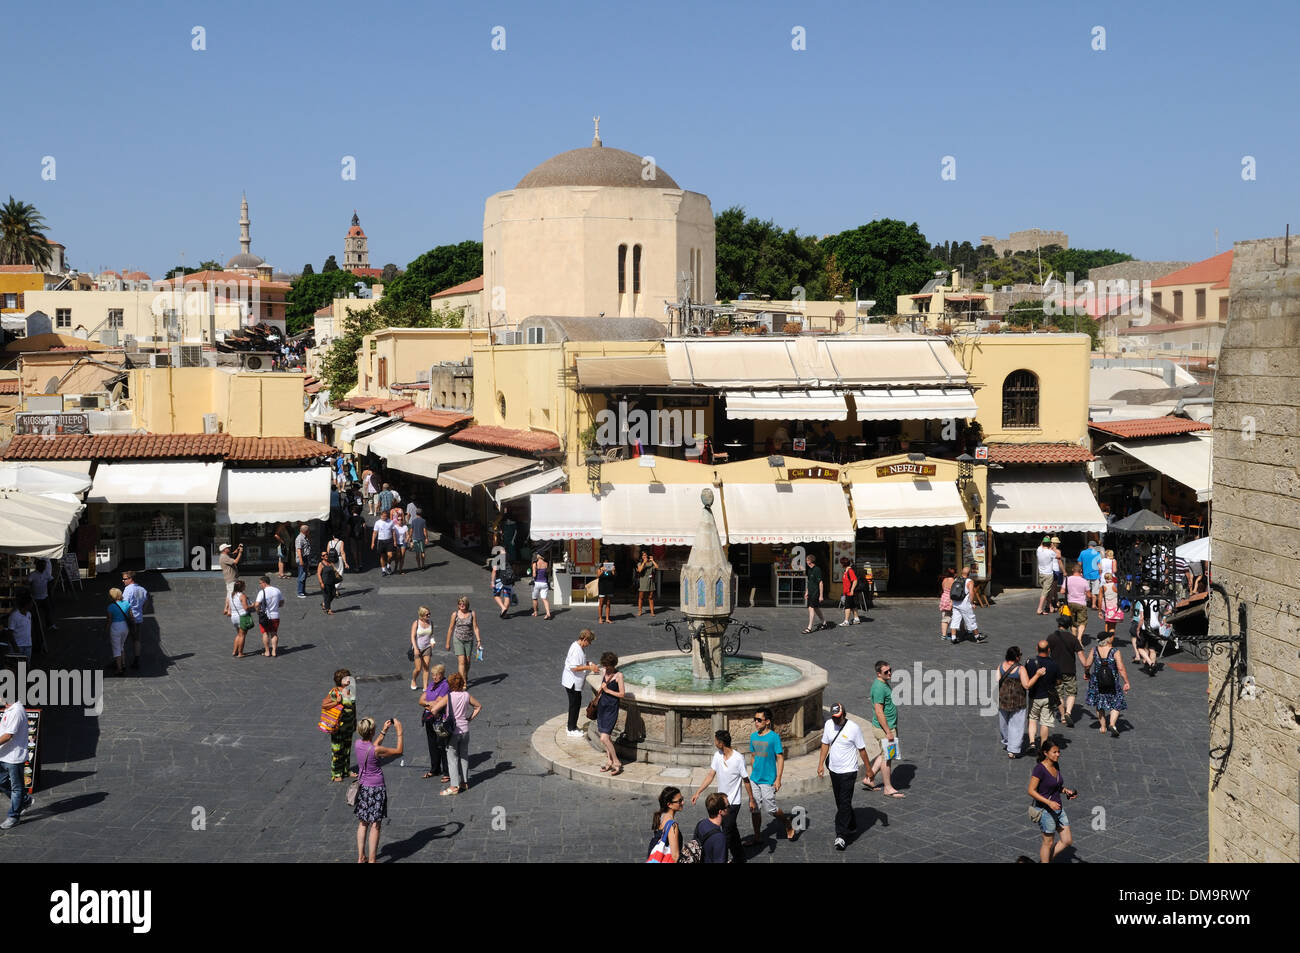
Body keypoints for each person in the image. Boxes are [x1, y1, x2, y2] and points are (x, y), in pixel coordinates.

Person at [690, 729, 756, 863]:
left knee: (725, 833)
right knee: (731, 830)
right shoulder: (717, 756)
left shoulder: (738, 758)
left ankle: (722, 858)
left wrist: (751, 799)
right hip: (721, 800)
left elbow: (746, 780)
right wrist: (698, 791)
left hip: (733, 802)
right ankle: (740, 857)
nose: (714, 742)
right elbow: (710, 775)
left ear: (721, 743)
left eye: (715, 740)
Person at [817, 702, 870, 851]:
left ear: (844, 715)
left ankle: (841, 835)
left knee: (845, 802)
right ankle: (852, 825)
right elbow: (825, 745)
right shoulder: (828, 724)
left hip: (849, 771)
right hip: (834, 770)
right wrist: (820, 764)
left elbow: (862, 750)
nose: (835, 720)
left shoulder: (854, 728)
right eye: (834, 717)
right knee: (840, 802)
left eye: (838, 718)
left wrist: (869, 769)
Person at [352, 716, 403, 863]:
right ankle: (373, 860)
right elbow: (399, 751)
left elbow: (371, 748)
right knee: (375, 824)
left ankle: (361, 857)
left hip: (363, 788)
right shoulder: (377, 750)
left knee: (363, 822)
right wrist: (399, 731)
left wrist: (383, 732)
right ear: (372, 731)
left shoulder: (358, 744)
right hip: (376, 789)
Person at [425, 672, 481, 795]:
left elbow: (433, 710)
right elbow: (478, 706)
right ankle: (464, 782)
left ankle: (454, 786)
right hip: (465, 730)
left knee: (452, 758)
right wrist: (469, 719)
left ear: (450, 684)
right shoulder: (466, 695)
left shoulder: (449, 697)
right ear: (462, 683)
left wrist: (441, 716)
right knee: (464, 756)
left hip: (453, 731)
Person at [748, 708, 795, 842]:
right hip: (754, 779)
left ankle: (787, 823)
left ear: (767, 721)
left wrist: (778, 779)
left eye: (759, 720)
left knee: (770, 808)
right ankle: (757, 837)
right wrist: (753, 771)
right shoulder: (753, 736)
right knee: (754, 808)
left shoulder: (774, 737)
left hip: (768, 779)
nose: (756, 722)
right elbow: (753, 756)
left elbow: (780, 758)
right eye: (755, 720)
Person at [1028, 741, 1076, 863]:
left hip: (1058, 808)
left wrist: (1065, 791)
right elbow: (1031, 791)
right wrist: (1049, 803)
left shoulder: (1056, 765)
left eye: (1058, 751)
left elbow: (1056, 786)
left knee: (1067, 840)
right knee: (1048, 843)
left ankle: (1047, 860)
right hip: (1045, 811)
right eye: (1054, 752)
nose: (1058, 754)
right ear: (1045, 753)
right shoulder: (1039, 769)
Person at [865, 660, 902, 796]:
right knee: (888, 757)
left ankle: (869, 778)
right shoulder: (880, 688)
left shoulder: (882, 683)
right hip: (885, 729)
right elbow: (879, 711)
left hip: (887, 727)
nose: (890, 673)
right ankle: (888, 788)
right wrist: (888, 732)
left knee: (884, 754)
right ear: (878, 673)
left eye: (890, 670)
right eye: (886, 672)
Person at [1083, 630, 1130, 738]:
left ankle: (1103, 727)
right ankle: (1112, 724)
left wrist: (1087, 673)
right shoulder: (1115, 651)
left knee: (1099, 703)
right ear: (1107, 640)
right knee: (1117, 701)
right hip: (1112, 681)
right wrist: (1126, 682)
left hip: (1097, 681)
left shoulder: (1094, 650)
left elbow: (1087, 664)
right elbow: (1121, 668)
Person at [1046, 610, 1087, 728]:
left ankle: (1063, 716)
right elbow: (1081, 656)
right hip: (1069, 669)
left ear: (1059, 624)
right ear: (1069, 626)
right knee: (1071, 692)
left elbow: (1046, 653)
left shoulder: (1051, 637)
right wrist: (1086, 669)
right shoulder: (1073, 639)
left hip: (1055, 671)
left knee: (1058, 693)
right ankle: (1069, 712)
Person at [591, 651, 626, 775]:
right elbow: (595, 673)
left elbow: (622, 694)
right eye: (604, 665)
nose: (605, 668)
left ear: (613, 665)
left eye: (607, 666)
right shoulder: (604, 671)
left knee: (604, 738)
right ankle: (609, 761)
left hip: (611, 708)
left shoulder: (619, 676)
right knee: (606, 738)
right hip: (602, 707)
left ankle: (616, 762)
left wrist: (607, 690)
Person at [0, 699, 33, 829]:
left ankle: (14, 817)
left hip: (14, 757)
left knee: (16, 787)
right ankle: (25, 801)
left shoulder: (17, 711)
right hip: (3, 754)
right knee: (2, 782)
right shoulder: (9, 709)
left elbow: (8, 735)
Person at [1022, 639, 1060, 753]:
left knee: (1032, 719)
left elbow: (1027, 677)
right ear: (1049, 650)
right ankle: (1043, 746)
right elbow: (1058, 681)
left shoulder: (1030, 662)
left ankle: (1032, 742)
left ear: (1037, 649)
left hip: (1034, 696)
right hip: (1047, 697)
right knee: (1045, 722)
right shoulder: (1054, 664)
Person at [562, 629, 599, 737]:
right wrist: (589, 667)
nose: (589, 644)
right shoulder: (576, 649)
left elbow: (580, 662)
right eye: (589, 641)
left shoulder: (578, 647)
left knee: (575, 704)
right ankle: (571, 729)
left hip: (573, 681)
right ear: (584, 639)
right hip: (572, 682)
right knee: (574, 705)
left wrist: (589, 663)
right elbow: (574, 667)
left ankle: (572, 725)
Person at [996, 646, 1031, 759]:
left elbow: (997, 680)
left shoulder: (1001, 666)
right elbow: (1026, 685)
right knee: (1017, 725)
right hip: (1018, 701)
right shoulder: (1021, 669)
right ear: (1016, 657)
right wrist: (1037, 676)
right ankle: (1013, 749)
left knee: (1004, 724)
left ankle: (1007, 741)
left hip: (1003, 699)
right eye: (1020, 654)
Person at [419, 664, 450, 783]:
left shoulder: (445, 685)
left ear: (442, 674)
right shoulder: (432, 685)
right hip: (429, 717)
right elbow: (420, 700)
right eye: (433, 674)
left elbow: (439, 702)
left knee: (442, 744)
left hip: (439, 718)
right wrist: (428, 704)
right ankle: (435, 769)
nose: (434, 677)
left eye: (437, 674)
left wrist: (427, 703)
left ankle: (447, 772)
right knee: (432, 744)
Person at [327, 669, 357, 782]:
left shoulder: (351, 690)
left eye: (349, 677)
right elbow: (326, 705)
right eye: (346, 678)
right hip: (338, 727)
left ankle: (346, 770)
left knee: (347, 749)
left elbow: (354, 706)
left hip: (349, 725)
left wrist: (355, 720)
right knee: (337, 750)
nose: (349, 680)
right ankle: (336, 773)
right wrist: (336, 702)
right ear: (340, 680)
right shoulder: (334, 692)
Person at [444, 596, 482, 682]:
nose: (461, 605)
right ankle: (463, 682)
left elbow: (475, 627)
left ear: (466, 604)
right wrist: (447, 643)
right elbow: (450, 628)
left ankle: (465, 675)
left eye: (463, 603)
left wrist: (479, 640)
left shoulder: (472, 613)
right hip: (458, 639)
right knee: (461, 661)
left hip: (469, 639)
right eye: (460, 604)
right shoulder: (455, 614)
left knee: (467, 662)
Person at [950, 564, 986, 643]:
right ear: (969, 573)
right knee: (971, 619)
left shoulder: (956, 579)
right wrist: (972, 603)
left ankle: (953, 638)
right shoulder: (969, 581)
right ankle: (977, 636)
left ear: (962, 572)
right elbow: (971, 593)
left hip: (956, 603)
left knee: (955, 619)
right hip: (964, 604)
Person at [648, 787, 684, 863]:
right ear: (669, 804)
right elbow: (675, 856)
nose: (682, 802)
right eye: (679, 801)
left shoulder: (661, 816)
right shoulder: (672, 825)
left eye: (682, 799)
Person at [692, 793, 731, 863]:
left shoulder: (701, 824)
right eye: (728, 806)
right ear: (720, 812)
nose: (730, 808)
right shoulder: (719, 838)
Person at [121, 570, 149, 668]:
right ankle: (136, 660)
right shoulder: (142, 589)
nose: (123, 581)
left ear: (130, 579)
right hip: (138, 618)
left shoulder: (128, 589)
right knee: (136, 639)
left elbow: (125, 605)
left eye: (124, 579)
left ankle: (120, 662)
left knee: (121, 641)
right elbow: (146, 603)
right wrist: (142, 612)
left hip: (128, 619)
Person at [254, 574, 283, 658]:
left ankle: (267, 651)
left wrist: (258, 611)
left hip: (265, 616)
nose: (260, 585)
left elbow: (256, 604)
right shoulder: (277, 590)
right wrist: (275, 606)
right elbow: (282, 603)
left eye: (260, 583)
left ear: (264, 583)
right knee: (274, 633)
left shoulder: (262, 592)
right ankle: (274, 651)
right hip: (275, 616)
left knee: (265, 633)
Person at [101, 590, 129, 674]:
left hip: (115, 627)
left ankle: (119, 669)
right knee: (121, 646)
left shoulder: (111, 606)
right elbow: (131, 616)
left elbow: (109, 620)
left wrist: (106, 630)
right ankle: (123, 664)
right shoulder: (126, 603)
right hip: (125, 626)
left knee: (116, 648)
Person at [27, 558, 55, 634]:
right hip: (35, 598)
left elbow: (51, 580)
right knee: (34, 614)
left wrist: (49, 588)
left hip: (45, 597)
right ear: (37, 566)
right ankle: (34, 627)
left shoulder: (46, 573)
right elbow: (28, 583)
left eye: (44, 566)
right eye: (42, 566)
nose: (43, 568)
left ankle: (49, 625)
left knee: (48, 612)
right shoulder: (33, 574)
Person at [802, 553, 828, 633]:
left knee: (811, 608)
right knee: (816, 608)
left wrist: (821, 595)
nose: (806, 561)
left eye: (807, 560)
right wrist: (807, 592)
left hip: (815, 592)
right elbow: (809, 581)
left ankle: (809, 627)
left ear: (810, 561)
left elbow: (820, 583)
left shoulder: (817, 570)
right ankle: (824, 622)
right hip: (811, 592)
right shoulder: (809, 570)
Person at [1063, 562, 1090, 641]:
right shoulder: (1084, 581)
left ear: (1072, 570)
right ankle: (1079, 637)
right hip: (1081, 603)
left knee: (1073, 622)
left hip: (1070, 602)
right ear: (1081, 571)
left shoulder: (1067, 579)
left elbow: (1062, 591)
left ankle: (1074, 638)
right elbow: (1089, 595)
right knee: (1082, 622)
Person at [409, 606, 433, 691]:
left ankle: (425, 687)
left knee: (426, 668)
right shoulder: (416, 623)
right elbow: (412, 637)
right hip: (418, 648)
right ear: (422, 615)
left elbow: (431, 635)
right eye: (427, 614)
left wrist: (432, 641)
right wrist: (415, 648)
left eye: (429, 613)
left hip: (427, 647)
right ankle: (413, 680)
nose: (429, 615)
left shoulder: (431, 622)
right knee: (418, 669)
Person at [228, 579, 252, 658]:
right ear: (241, 587)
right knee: (242, 635)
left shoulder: (231, 595)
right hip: (242, 617)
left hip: (234, 617)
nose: (245, 586)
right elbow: (246, 608)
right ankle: (240, 653)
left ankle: (234, 651)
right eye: (244, 585)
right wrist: (253, 605)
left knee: (239, 634)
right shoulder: (242, 595)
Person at [1078, 538, 1103, 611]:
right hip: (1095, 574)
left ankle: (1085, 603)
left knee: (1086, 590)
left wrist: (1081, 570)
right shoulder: (1097, 554)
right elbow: (1099, 565)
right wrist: (1100, 573)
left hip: (1086, 574)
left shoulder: (1083, 553)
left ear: (1088, 545)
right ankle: (1093, 605)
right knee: (1095, 591)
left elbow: (1079, 563)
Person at [219, 542, 244, 611]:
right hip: (231, 578)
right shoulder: (224, 557)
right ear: (224, 549)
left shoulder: (225, 555)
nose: (229, 548)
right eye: (228, 548)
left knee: (229, 594)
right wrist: (240, 553)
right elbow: (235, 561)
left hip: (230, 578)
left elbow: (233, 554)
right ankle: (229, 610)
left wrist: (238, 549)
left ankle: (226, 609)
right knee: (231, 594)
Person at [1034, 536, 1056, 615]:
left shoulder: (1039, 550)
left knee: (1047, 591)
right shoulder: (1051, 552)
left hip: (1041, 574)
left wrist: (1044, 538)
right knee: (1045, 592)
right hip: (1048, 574)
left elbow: (1041, 545)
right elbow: (1057, 556)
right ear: (1050, 544)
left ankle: (1049, 606)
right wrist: (1052, 547)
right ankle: (1039, 608)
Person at [838, 557, 862, 626]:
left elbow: (855, 580)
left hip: (849, 592)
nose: (840, 565)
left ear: (843, 564)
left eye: (841, 563)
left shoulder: (850, 571)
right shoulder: (846, 571)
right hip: (848, 592)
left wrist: (851, 590)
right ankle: (856, 619)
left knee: (847, 606)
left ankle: (846, 621)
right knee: (853, 605)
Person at [371, 509, 395, 576]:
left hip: (389, 540)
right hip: (381, 541)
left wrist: (395, 541)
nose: (384, 517)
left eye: (385, 516)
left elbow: (393, 532)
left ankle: (388, 565)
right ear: (381, 515)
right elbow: (375, 533)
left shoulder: (391, 522)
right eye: (383, 516)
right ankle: (383, 570)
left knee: (390, 555)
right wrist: (372, 542)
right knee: (382, 556)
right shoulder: (377, 522)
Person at [530, 552, 553, 620]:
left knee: (534, 598)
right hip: (544, 584)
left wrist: (533, 574)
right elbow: (548, 573)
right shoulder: (546, 563)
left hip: (537, 583)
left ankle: (535, 612)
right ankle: (548, 613)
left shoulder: (535, 563)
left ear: (538, 556)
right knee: (544, 599)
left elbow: (534, 574)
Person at [636, 550, 657, 616]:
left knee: (650, 597)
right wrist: (644, 563)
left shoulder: (651, 563)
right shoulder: (640, 563)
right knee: (641, 597)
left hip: (650, 581)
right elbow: (639, 570)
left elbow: (657, 567)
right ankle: (640, 611)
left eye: (645, 555)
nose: (644, 556)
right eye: (643, 555)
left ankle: (652, 612)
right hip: (643, 581)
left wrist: (652, 560)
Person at [1100, 571, 1121, 639]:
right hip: (1115, 607)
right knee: (1113, 625)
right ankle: (1111, 640)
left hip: (1106, 607)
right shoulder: (1116, 586)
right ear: (1112, 578)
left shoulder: (1103, 587)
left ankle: (1106, 638)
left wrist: (1099, 611)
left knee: (1107, 623)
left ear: (1105, 579)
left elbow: (1100, 600)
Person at [294, 525, 312, 599]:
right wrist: (301, 560)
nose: (309, 532)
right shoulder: (300, 538)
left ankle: (303, 591)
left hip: (305, 558)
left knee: (304, 575)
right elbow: (298, 550)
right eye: (308, 530)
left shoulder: (304, 537)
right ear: (305, 531)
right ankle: (300, 592)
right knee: (301, 575)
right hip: (302, 558)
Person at [347, 506, 367, 572]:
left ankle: (357, 565)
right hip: (360, 536)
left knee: (354, 551)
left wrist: (348, 535)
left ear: (353, 511)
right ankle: (361, 564)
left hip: (353, 536)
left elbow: (349, 528)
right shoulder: (362, 518)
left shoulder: (350, 519)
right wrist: (365, 536)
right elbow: (364, 527)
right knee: (360, 550)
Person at [938, 568, 955, 640]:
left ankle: (943, 635)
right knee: (952, 617)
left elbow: (944, 589)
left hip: (944, 598)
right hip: (950, 599)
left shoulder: (944, 580)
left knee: (945, 616)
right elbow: (954, 592)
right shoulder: (953, 581)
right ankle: (954, 634)